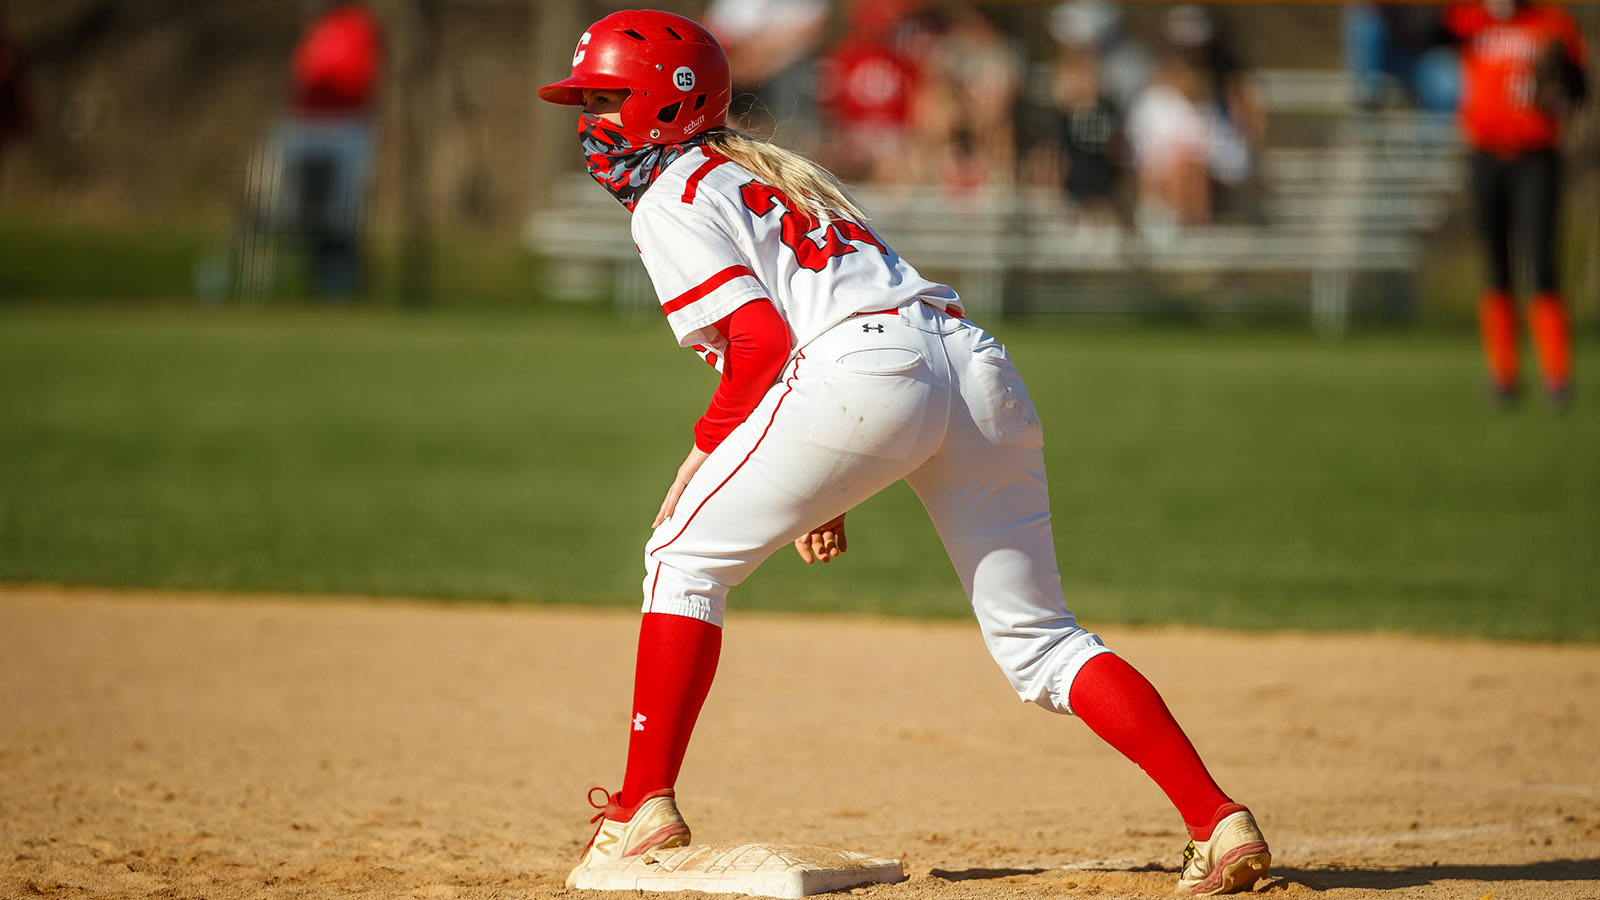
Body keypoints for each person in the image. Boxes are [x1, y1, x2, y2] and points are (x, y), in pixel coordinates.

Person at [538, 10, 1272, 896]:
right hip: (972, 364)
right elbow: (850, 334)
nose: (590, 122)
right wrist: (828, 484)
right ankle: (1216, 820)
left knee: (680, 559)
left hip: (861, 375)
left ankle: (638, 811)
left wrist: (703, 449)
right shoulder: (773, 173)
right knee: (1040, 641)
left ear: (666, 101)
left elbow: (764, 343)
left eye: (604, 100)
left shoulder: (671, 196)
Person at [1445, 0, 1587, 406]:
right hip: (1485, 155)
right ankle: (1503, 375)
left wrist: (1562, 92)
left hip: (1535, 157)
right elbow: (1421, 32)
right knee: (1496, 265)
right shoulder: (1468, 18)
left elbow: (1579, 89)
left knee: (1541, 262)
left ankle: (1556, 376)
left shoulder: (1552, 23)